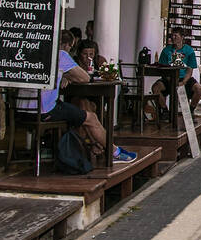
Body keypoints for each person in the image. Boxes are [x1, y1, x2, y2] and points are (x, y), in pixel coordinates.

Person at [42, 29, 134, 164]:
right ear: (67, 45)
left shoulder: (38, 53)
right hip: (47, 109)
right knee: (89, 115)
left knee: (86, 107)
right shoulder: (61, 55)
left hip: (22, 111)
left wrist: (65, 75)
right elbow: (84, 77)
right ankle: (113, 152)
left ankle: (93, 145)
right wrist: (66, 74)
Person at [150, 27, 201, 117]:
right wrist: (170, 80)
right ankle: (165, 110)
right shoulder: (166, 50)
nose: (173, 37)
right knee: (155, 88)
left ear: (182, 37)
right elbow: (162, 68)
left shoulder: (189, 51)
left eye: (176, 35)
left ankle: (191, 110)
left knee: (199, 88)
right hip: (169, 78)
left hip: (184, 78)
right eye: (172, 35)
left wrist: (183, 82)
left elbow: (189, 70)